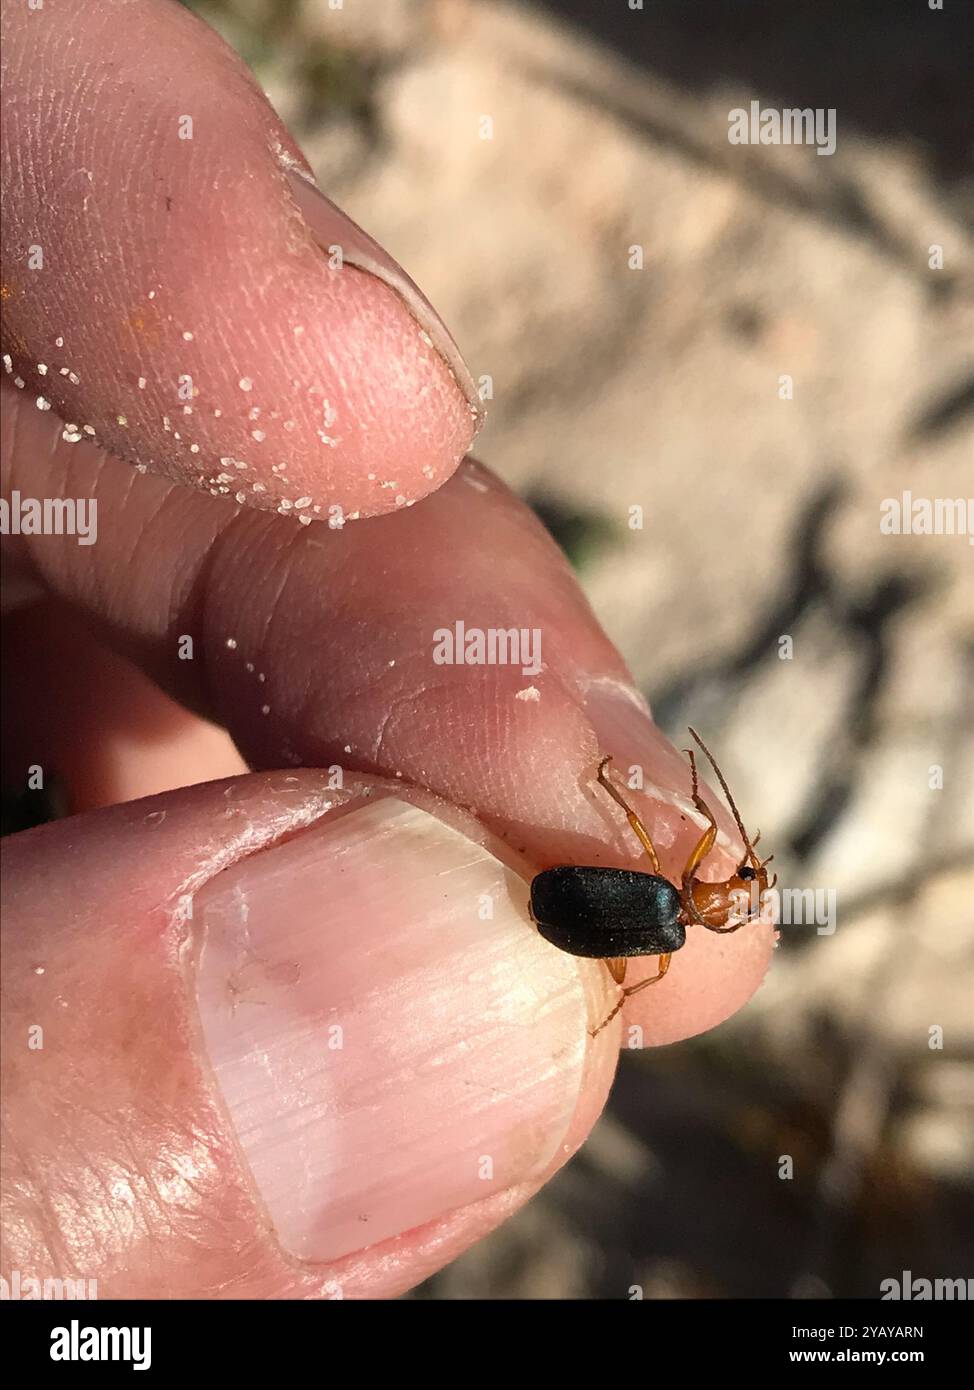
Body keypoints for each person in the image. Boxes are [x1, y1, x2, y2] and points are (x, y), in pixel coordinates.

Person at [0, 0, 773, 1298]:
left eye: (723, 889)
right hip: (577, 915)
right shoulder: (658, 896)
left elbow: (628, 879)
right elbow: (627, 869)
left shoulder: (653, 894)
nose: (721, 883)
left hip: (580, 917)